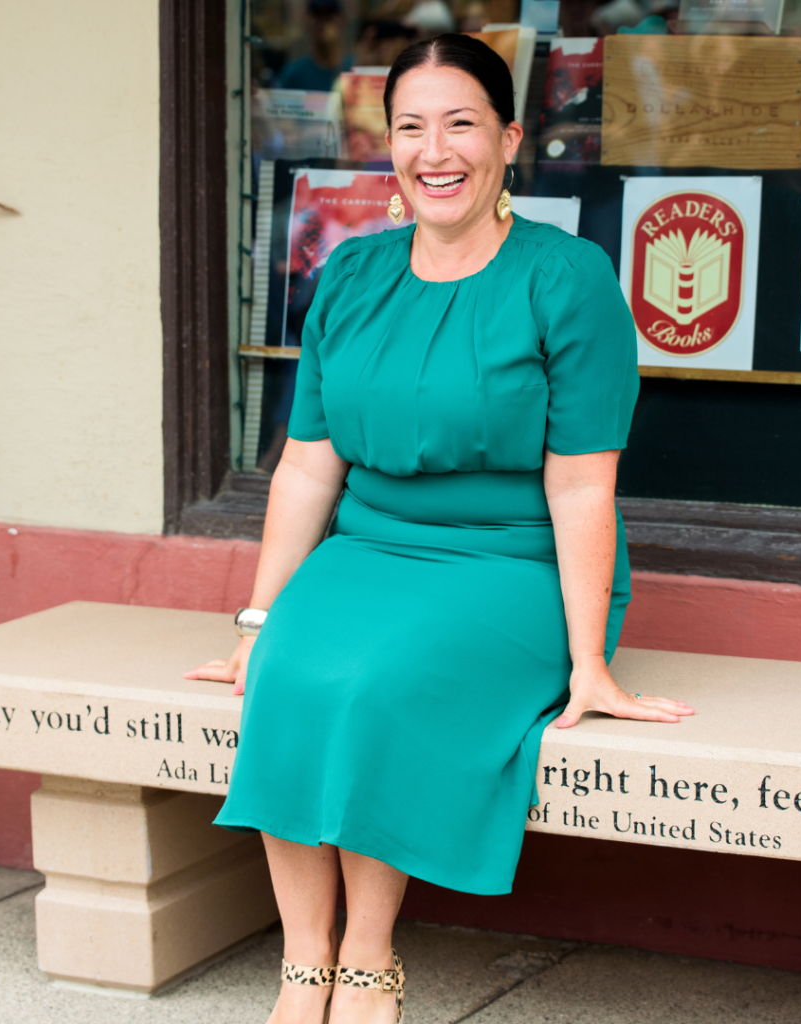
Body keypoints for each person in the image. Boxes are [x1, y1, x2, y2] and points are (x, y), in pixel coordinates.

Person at [187, 34, 693, 1024]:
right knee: (289, 673)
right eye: (411, 128)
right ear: (388, 146)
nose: (435, 151)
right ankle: (303, 964)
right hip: (368, 549)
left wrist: (589, 662)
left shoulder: (568, 278)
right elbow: (308, 466)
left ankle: (368, 961)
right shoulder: (352, 275)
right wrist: (257, 621)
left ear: (509, 138)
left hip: (513, 563)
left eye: (461, 123)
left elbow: (582, 488)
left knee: (381, 682)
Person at [276, 0, 354, 93]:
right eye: (318, 16)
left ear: (342, 21)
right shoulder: (293, 75)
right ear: (307, 23)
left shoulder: (354, 70)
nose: (323, 23)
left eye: (329, 16)